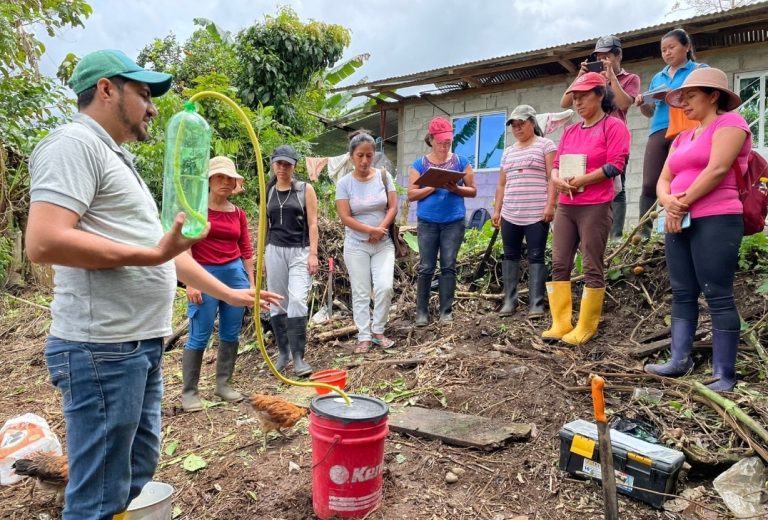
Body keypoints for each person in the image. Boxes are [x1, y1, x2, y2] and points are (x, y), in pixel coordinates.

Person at [25, 49, 279, 519]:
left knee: (134, 471)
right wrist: (153, 255)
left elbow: (166, 254)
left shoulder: (115, 157)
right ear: (106, 90)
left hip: (138, 344)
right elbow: (43, 241)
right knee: (97, 494)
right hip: (101, 348)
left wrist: (229, 291)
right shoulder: (72, 145)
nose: (153, 106)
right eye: (143, 93)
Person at [644, 68, 750, 392]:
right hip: (679, 219)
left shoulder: (730, 124)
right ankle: (680, 360)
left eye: (690, 96)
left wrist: (682, 202)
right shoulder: (682, 137)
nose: (684, 103)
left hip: (717, 216)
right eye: (681, 98)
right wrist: (669, 203)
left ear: (713, 95)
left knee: (717, 293)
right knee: (682, 291)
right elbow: (662, 180)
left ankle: (723, 374)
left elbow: (718, 168)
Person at [544, 72, 631, 346]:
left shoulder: (614, 126)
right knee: (559, 263)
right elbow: (557, 163)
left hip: (595, 204)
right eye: (575, 98)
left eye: (583, 97)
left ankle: (586, 325)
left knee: (592, 264)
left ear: (600, 95)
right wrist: (556, 179)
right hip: (567, 206)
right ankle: (560, 322)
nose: (578, 102)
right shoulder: (570, 131)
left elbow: (616, 165)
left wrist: (583, 180)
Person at [181, 156, 254, 412]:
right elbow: (185, 245)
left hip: (234, 274)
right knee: (199, 333)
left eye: (229, 178)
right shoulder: (196, 210)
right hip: (203, 273)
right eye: (219, 177)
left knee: (230, 332)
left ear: (235, 183)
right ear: (209, 181)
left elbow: (245, 250)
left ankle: (223, 383)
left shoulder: (239, 214)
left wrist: (252, 284)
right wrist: (191, 282)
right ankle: (189, 392)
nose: (225, 182)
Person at [561, 35, 640, 241]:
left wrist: (611, 78)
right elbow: (565, 102)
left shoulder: (630, 78)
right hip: (589, 139)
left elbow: (623, 104)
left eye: (607, 56)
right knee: (587, 185)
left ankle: (615, 234)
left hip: (614, 136)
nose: (603, 60)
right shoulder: (587, 81)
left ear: (618, 55)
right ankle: (588, 230)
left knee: (617, 185)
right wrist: (580, 77)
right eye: (599, 56)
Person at [635, 28, 707, 238]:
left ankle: (685, 224)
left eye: (671, 47)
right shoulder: (659, 76)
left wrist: (675, 94)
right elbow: (649, 112)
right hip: (659, 128)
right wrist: (642, 103)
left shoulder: (699, 70)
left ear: (686, 47)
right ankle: (644, 232)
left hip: (688, 128)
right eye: (663, 49)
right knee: (650, 182)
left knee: (683, 179)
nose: (667, 52)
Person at [408, 116, 477, 326]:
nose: (444, 146)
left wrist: (456, 188)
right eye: (440, 143)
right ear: (431, 140)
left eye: (448, 142)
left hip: (453, 222)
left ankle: (446, 312)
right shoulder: (419, 164)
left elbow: (473, 191)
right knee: (426, 266)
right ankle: (422, 313)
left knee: (448, 265)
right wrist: (432, 185)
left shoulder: (462, 162)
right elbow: (411, 194)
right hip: (427, 222)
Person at [491, 105, 557, 318]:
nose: (517, 128)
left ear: (532, 123)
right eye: (514, 125)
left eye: (522, 124)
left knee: (536, 256)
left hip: (537, 212)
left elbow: (551, 177)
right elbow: (501, 184)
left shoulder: (545, 145)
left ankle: (536, 303)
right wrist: (497, 210)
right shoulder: (508, 152)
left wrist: (550, 205)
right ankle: (510, 301)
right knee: (510, 255)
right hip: (511, 212)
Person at [336, 131, 398, 353]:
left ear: (374, 156)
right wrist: (370, 230)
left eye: (369, 156)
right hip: (356, 245)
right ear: (351, 156)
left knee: (384, 287)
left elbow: (392, 207)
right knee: (361, 291)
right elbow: (345, 217)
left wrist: (379, 230)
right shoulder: (344, 183)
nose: (364, 160)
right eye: (360, 155)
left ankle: (378, 331)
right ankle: (364, 335)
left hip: (383, 244)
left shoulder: (384, 176)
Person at [265, 144, 319, 375]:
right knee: (277, 301)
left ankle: (298, 356)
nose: (282, 168)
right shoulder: (268, 189)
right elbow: (265, 223)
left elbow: (313, 223)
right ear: (273, 165)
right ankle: (283, 352)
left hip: (299, 249)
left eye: (287, 164)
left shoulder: (304, 189)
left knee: (297, 299)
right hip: (274, 250)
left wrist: (314, 253)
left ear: (294, 166)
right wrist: (264, 256)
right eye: (279, 163)